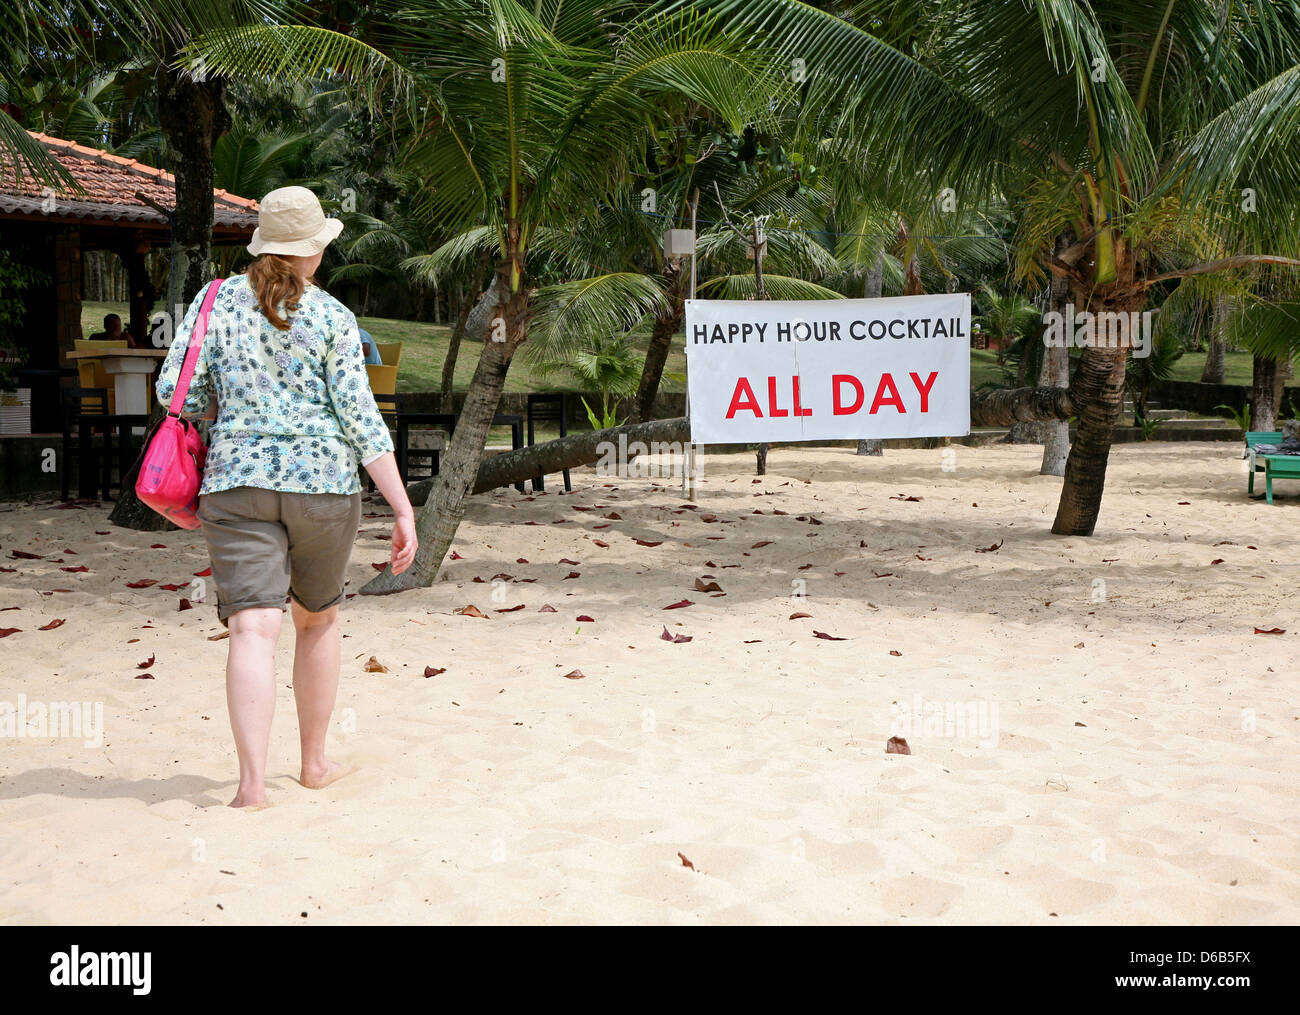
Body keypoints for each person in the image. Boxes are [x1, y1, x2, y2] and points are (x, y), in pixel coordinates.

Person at [155, 185, 417, 809]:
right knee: (318, 620)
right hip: (323, 487)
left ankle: (249, 787)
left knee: (252, 629)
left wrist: (232, 406)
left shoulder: (214, 302)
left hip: (236, 484)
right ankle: (314, 765)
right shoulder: (333, 317)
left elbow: (175, 391)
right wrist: (403, 509)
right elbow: (362, 421)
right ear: (314, 251)